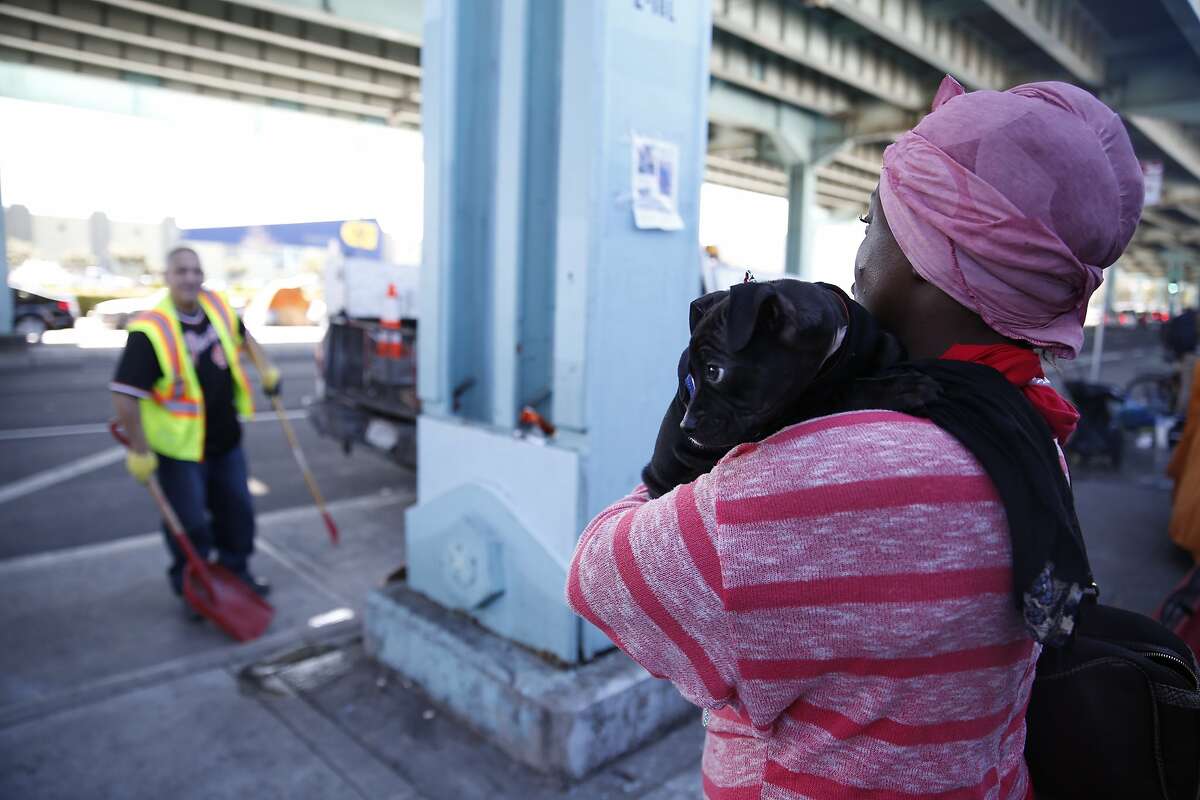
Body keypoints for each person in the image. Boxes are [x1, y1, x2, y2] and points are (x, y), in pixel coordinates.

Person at [566, 76, 1142, 799]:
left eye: (873, 224)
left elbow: (600, 579)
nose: (859, 256)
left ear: (930, 264)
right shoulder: (1030, 431)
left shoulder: (830, 479)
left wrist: (685, 451)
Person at [111, 246, 282, 610]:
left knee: (237, 513)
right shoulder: (151, 329)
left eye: (196, 271)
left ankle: (236, 572)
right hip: (180, 451)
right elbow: (125, 396)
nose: (190, 278)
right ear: (167, 277)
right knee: (189, 527)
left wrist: (266, 369)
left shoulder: (217, 306)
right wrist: (140, 451)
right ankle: (195, 587)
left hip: (225, 440)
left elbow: (244, 336)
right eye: (181, 271)